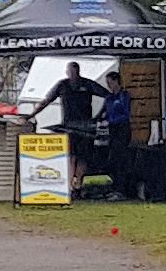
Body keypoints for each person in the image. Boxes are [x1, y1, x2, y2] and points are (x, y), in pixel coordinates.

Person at [22, 60, 109, 189]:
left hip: (86, 126)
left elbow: (108, 95)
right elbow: (46, 101)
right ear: (67, 72)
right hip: (69, 125)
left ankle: (78, 183)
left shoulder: (87, 83)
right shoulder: (62, 85)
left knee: (83, 156)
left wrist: (99, 115)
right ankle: (69, 185)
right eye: (71, 71)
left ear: (78, 71)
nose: (73, 74)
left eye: (75, 71)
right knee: (70, 155)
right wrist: (32, 114)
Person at [100, 68, 135, 197]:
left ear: (116, 82)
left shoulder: (124, 96)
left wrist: (112, 120)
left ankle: (121, 188)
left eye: (110, 82)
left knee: (120, 158)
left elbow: (126, 114)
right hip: (112, 131)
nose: (108, 85)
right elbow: (103, 113)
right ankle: (115, 186)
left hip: (122, 129)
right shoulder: (109, 98)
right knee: (112, 159)